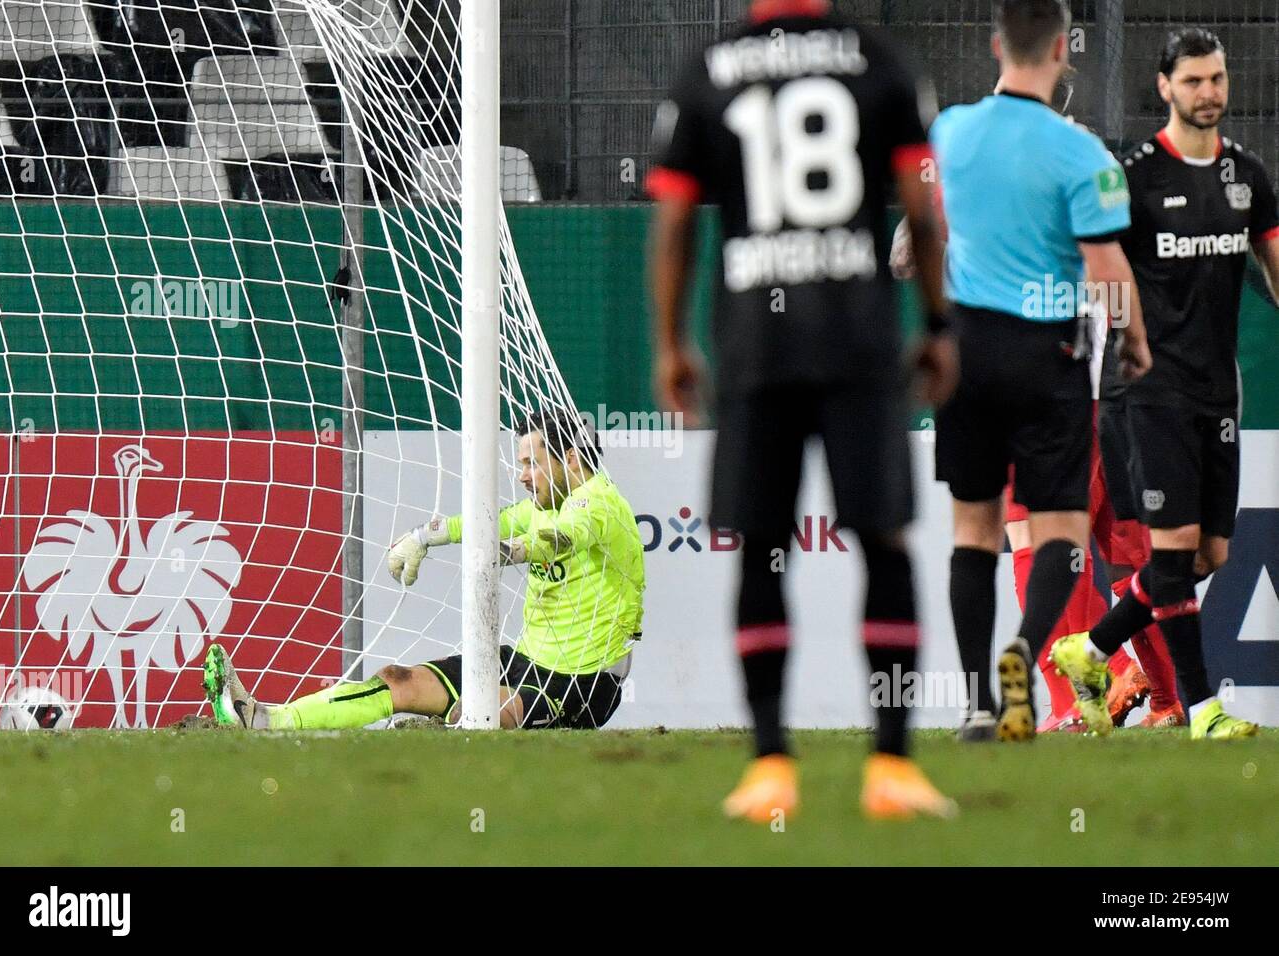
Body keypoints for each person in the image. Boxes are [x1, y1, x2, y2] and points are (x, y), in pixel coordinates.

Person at [647, 0, 958, 822]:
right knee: (883, 545)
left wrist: (673, 343)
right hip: (857, 341)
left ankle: (769, 767)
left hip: (755, 349)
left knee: (760, 551)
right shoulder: (879, 59)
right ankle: (892, 766)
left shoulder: (708, 67)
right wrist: (935, 324)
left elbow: (675, 220)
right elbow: (921, 208)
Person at [930, 0, 1151, 742]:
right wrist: (1133, 340)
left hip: (967, 348)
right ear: (1063, 48)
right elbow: (1107, 268)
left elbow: (919, 237)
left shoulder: (951, 134)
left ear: (996, 45)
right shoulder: (1082, 153)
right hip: (1050, 352)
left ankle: (974, 703)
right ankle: (1025, 652)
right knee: (1059, 532)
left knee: (975, 531)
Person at [1052, 28, 1279, 738]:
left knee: (1209, 556)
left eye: (1216, 80)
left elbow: (1272, 259)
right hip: (1145, 391)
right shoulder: (1135, 177)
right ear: (1164, 87)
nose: (1207, 93)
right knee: (1171, 547)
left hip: (1218, 392)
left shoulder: (1247, 174)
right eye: (1192, 81)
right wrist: (1130, 342)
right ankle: (1204, 707)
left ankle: (1088, 650)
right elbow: (1101, 263)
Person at [203, 409, 646, 731]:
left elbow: (564, 538)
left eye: (533, 463)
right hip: (527, 662)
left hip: (585, 684)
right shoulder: (541, 505)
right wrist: (422, 537)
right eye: (521, 464)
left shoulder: (600, 502)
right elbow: (478, 525)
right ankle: (266, 720)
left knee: (489, 711)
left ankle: (446, 735)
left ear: (570, 459)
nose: (523, 476)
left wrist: (508, 552)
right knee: (398, 681)